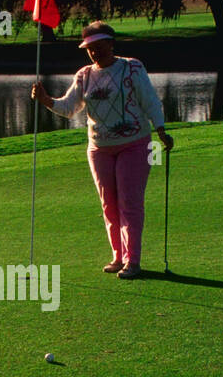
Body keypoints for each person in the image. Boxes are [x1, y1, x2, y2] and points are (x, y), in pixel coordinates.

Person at [32, 21, 174, 279]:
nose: (95, 52)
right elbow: (68, 108)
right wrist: (46, 100)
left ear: (111, 43)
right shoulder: (84, 75)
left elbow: (150, 100)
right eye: (90, 48)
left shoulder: (132, 67)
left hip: (134, 142)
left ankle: (133, 261)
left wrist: (161, 129)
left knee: (129, 203)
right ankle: (118, 256)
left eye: (99, 46)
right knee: (109, 204)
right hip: (99, 147)